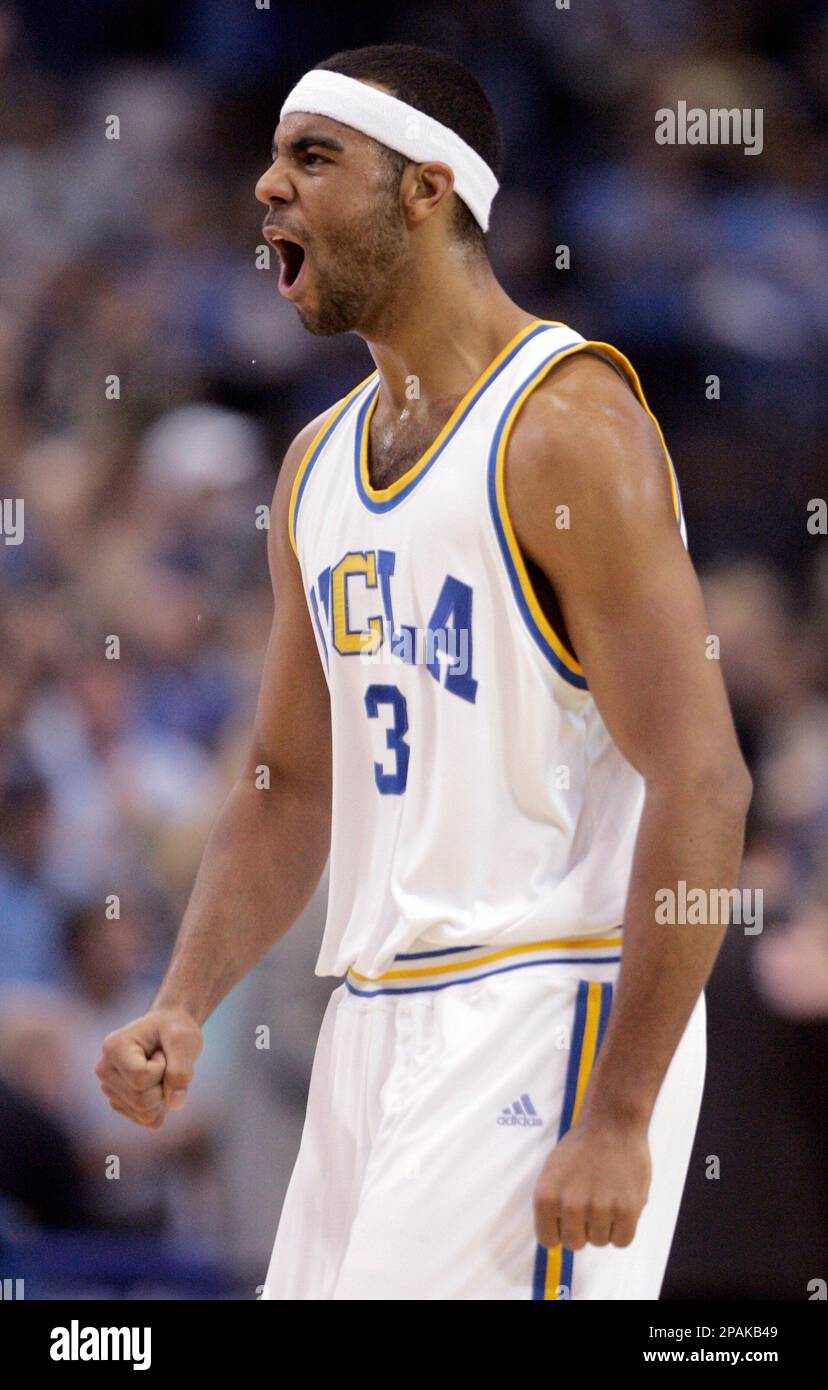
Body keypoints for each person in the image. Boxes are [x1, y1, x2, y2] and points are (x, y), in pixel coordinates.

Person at [95, 43, 752, 1300]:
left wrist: (620, 1113)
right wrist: (188, 1000)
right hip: (373, 1018)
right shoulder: (317, 466)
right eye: (275, 155)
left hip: (545, 1006)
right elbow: (291, 785)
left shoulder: (566, 430)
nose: (265, 186)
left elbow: (706, 782)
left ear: (428, 190)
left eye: (312, 157)